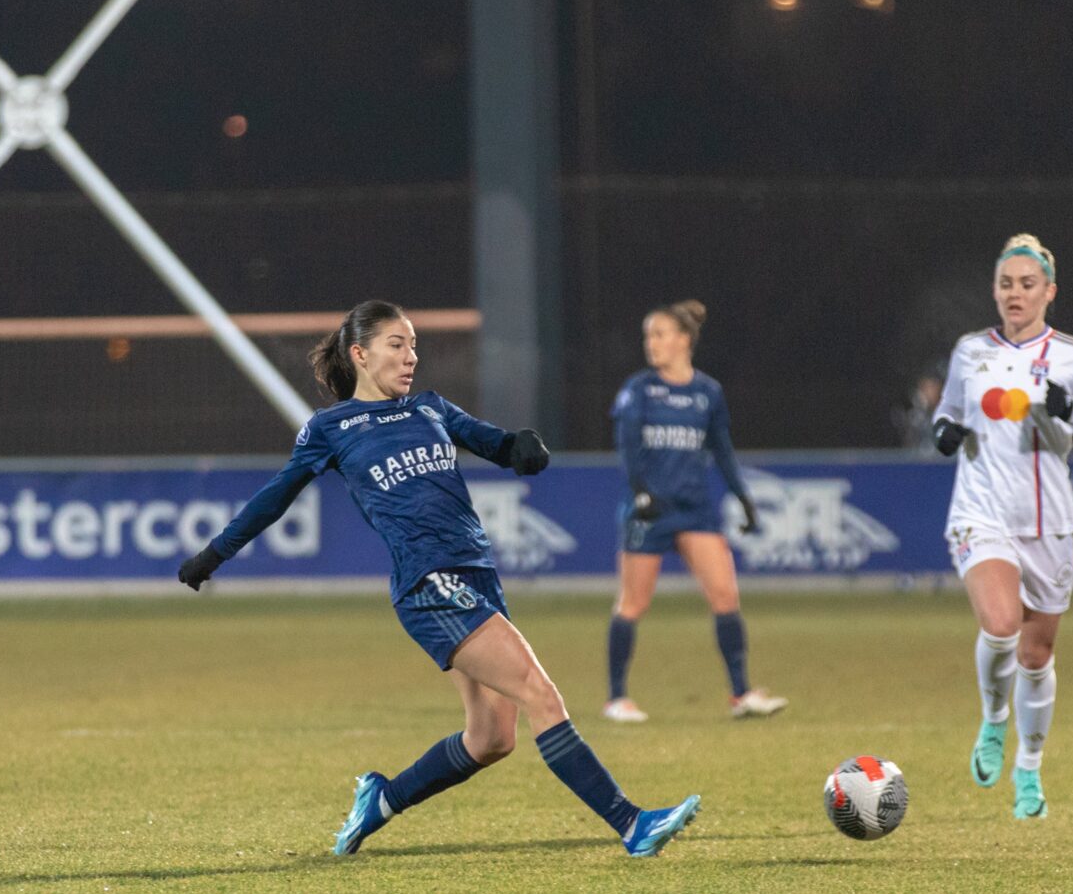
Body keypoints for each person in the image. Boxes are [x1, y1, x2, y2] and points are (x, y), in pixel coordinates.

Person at [175, 299, 700, 858]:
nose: (410, 357)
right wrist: (214, 554)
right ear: (360, 354)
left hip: (476, 573)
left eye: (414, 346)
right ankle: (632, 823)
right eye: (396, 345)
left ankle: (381, 799)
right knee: (540, 694)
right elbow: (274, 498)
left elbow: (494, 443)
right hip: (428, 584)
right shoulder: (331, 428)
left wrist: (521, 449)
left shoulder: (430, 408)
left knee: (492, 738)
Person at [930, 234, 1073, 819]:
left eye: (1027, 284)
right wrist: (944, 432)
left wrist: (1072, 412)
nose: (1016, 293)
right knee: (1001, 623)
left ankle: (1029, 771)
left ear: (1048, 292)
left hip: (1048, 524)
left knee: (1037, 657)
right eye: (1006, 284)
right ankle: (993, 723)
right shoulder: (970, 352)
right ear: (995, 290)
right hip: (981, 512)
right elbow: (950, 413)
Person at [603, 299, 788, 724]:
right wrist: (641, 492)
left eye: (661, 334)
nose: (652, 343)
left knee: (725, 596)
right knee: (633, 603)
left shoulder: (708, 392)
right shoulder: (639, 389)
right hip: (649, 512)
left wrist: (743, 497)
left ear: (684, 340)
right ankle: (617, 698)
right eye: (649, 335)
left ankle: (741, 694)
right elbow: (627, 448)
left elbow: (721, 450)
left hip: (695, 510)